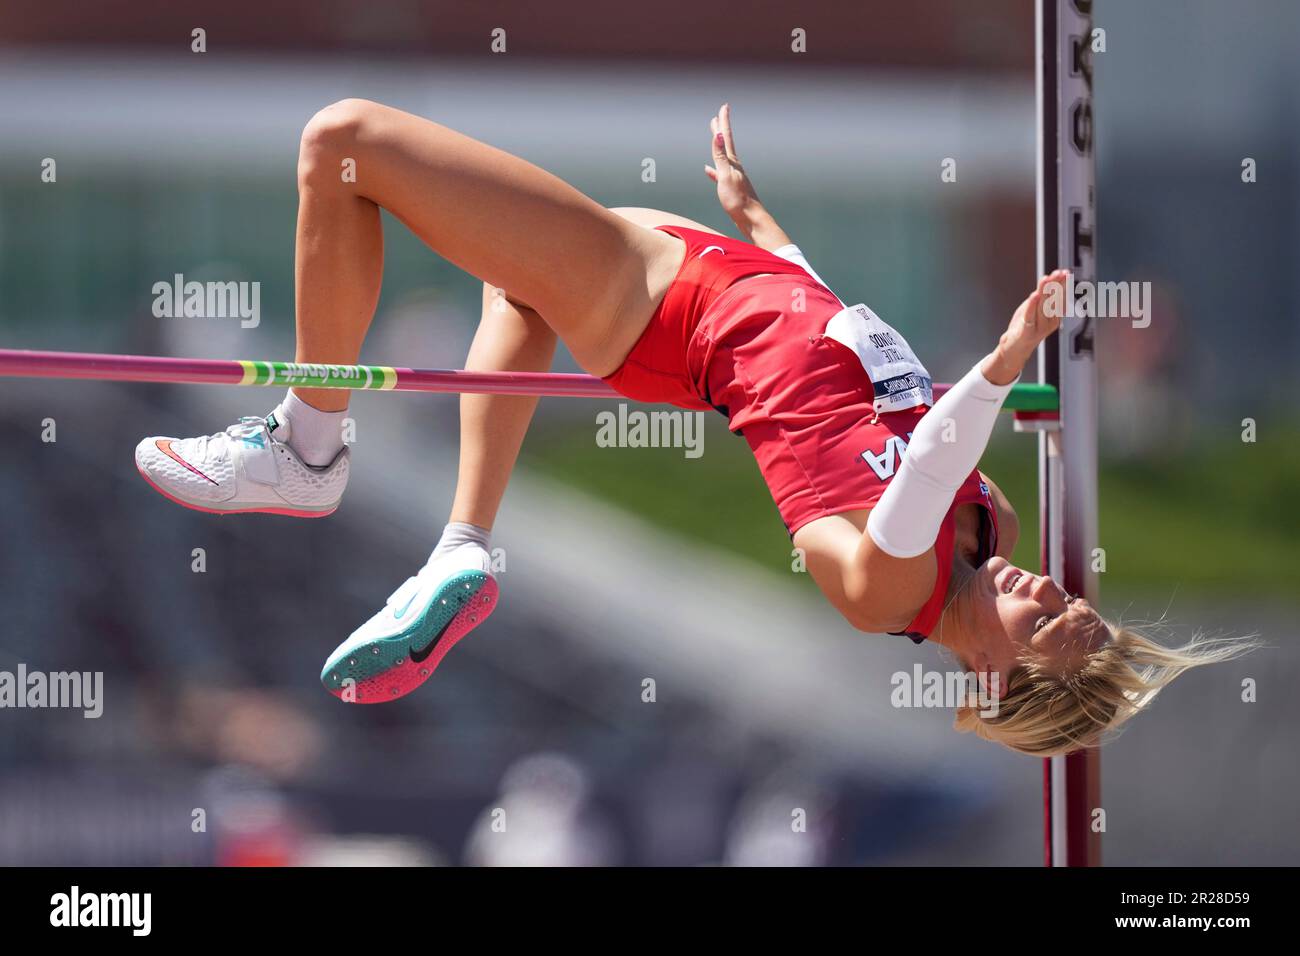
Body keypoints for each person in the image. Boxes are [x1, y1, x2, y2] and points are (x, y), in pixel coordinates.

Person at [134, 101, 1250, 754]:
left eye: (1051, 627)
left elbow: (923, 463)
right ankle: (461, 545)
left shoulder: (887, 586)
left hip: (663, 307)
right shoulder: (984, 528)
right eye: (1075, 601)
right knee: (510, 295)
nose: (1055, 592)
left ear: (995, 682)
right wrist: (762, 225)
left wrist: (1008, 359)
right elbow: (855, 354)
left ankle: (307, 442)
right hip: (714, 279)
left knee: (344, 142)